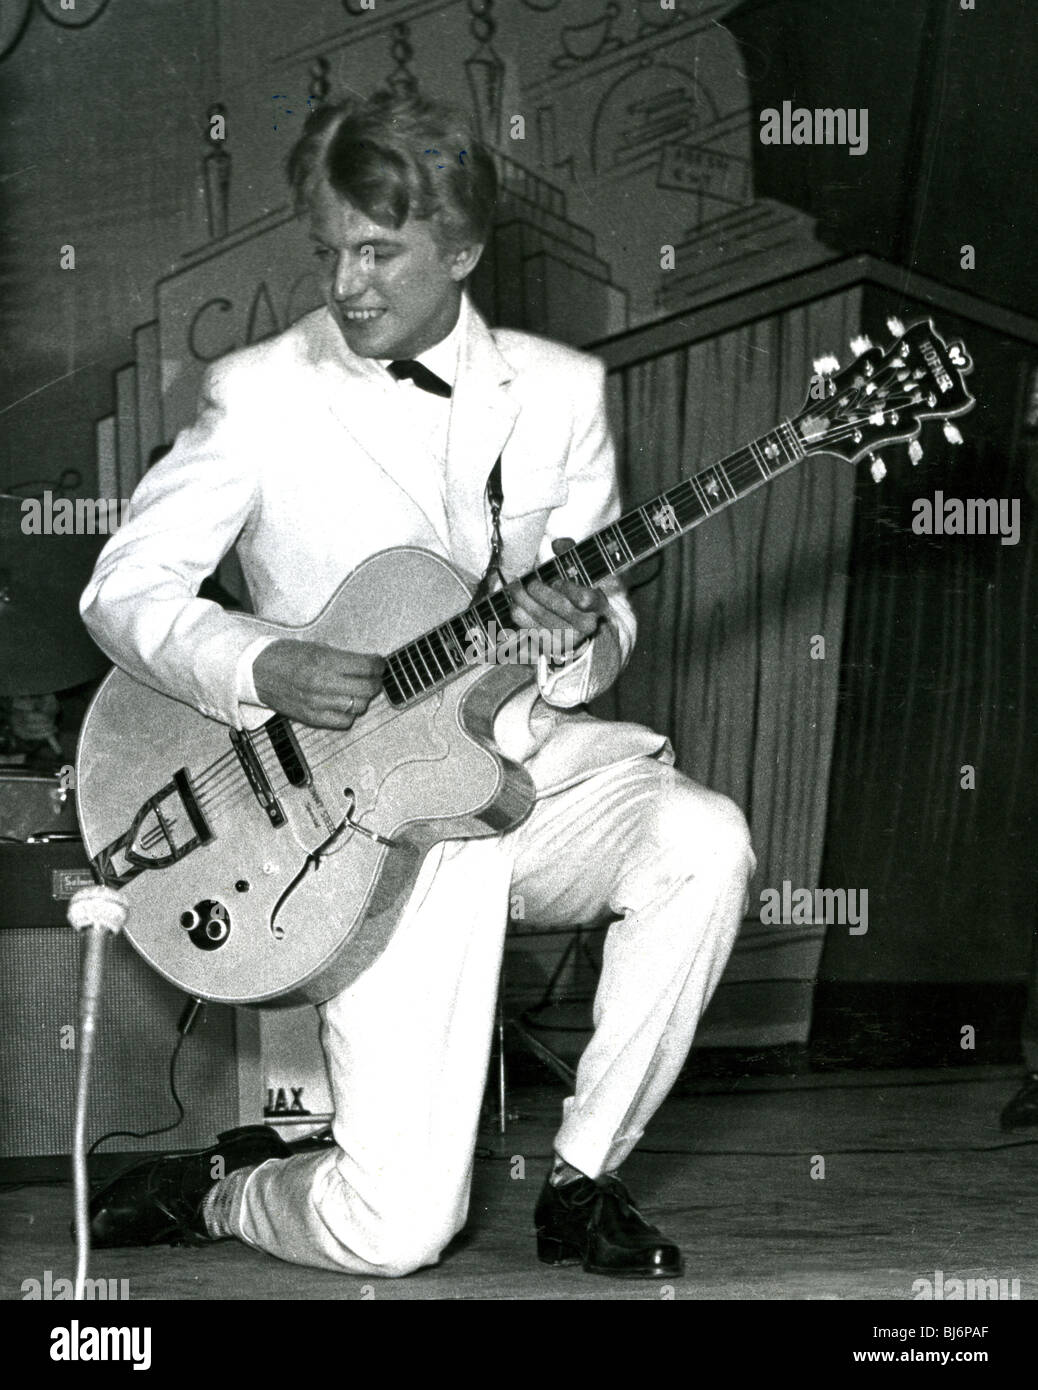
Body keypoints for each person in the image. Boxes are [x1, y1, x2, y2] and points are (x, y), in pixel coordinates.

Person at [79, 89, 755, 1280]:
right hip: (354, 823)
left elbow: (603, 640)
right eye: (330, 249)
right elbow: (121, 590)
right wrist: (257, 662)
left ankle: (585, 1177)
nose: (347, 285)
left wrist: (575, 627)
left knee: (703, 840)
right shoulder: (262, 391)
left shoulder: (558, 392)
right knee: (395, 1238)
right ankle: (237, 1189)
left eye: (379, 252)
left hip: (515, 778)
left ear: (463, 250)